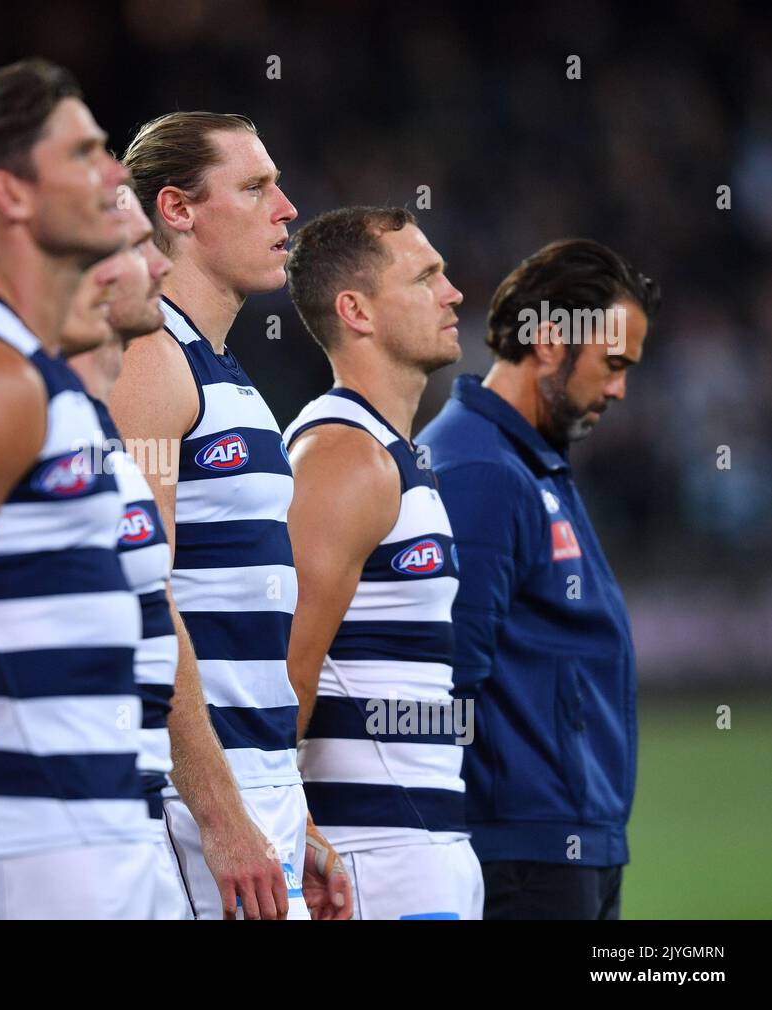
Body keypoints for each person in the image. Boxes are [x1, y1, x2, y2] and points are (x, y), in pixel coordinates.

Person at [0, 59, 156, 918]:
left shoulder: (40, 372)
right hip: (27, 850)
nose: (117, 172)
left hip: (93, 831)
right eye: (85, 152)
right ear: (12, 196)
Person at [116, 112, 351, 919]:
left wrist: (291, 808)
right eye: (254, 188)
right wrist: (220, 811)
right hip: (195, 796)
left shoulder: (227, 371)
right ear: (177, 210)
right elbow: (145, 594)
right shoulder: (151, 357)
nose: (287, 208)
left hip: (255, 779)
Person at [417, 238, 659, 919]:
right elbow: (446, 679)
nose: (618, 389)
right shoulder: (483, 472)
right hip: (523, 859)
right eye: (613, 364)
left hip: (562, 847)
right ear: (551, 341)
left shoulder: (525, 459)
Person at [282, 206, 482, 919]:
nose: (453, 293)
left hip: (417, 850)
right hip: (371, 861)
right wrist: (291, 833)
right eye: (426, 277)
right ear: (356, 311)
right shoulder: (342, 456)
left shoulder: (392, 456)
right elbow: (284, 668)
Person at [64, 191, 190, 918]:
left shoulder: (93, 426)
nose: (160, 270)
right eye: (137, 248)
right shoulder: (8, 402)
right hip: (57, 830)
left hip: (131, 813)